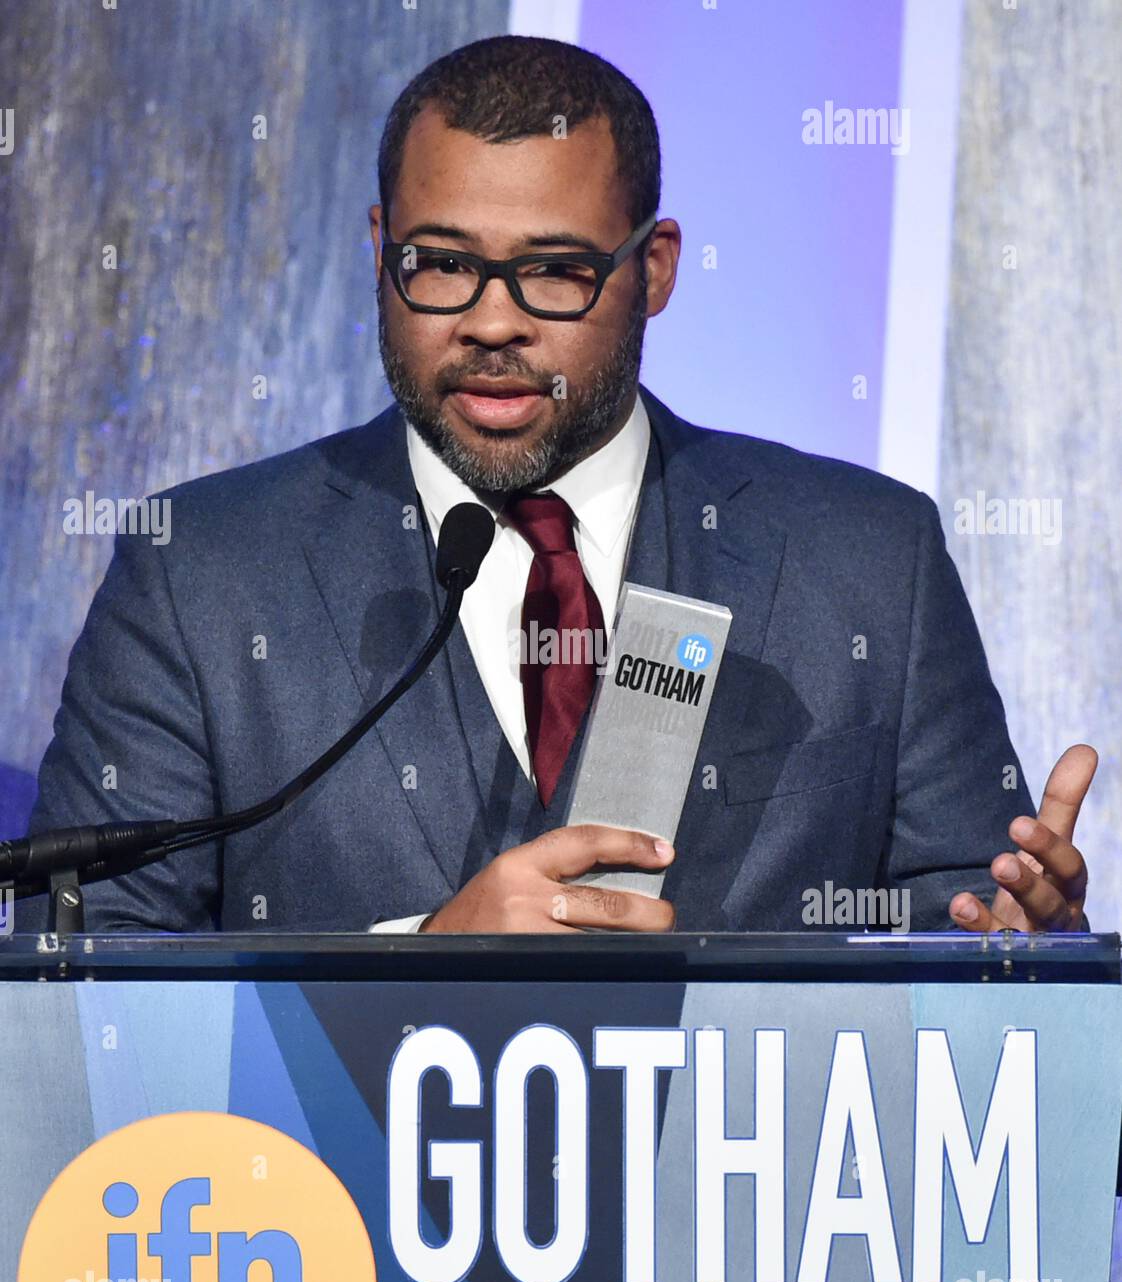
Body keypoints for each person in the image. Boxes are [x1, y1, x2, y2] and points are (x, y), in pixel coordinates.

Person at [20, 36, 1094, 936]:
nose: (492, 322)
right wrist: (411, 966)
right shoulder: (198, 574)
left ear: (656, 268)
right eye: (440, 262)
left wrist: (1022, 955)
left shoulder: (869, 561)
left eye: (553, 270)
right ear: (377, 247)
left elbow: (963, 950)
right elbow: (90, 1004)